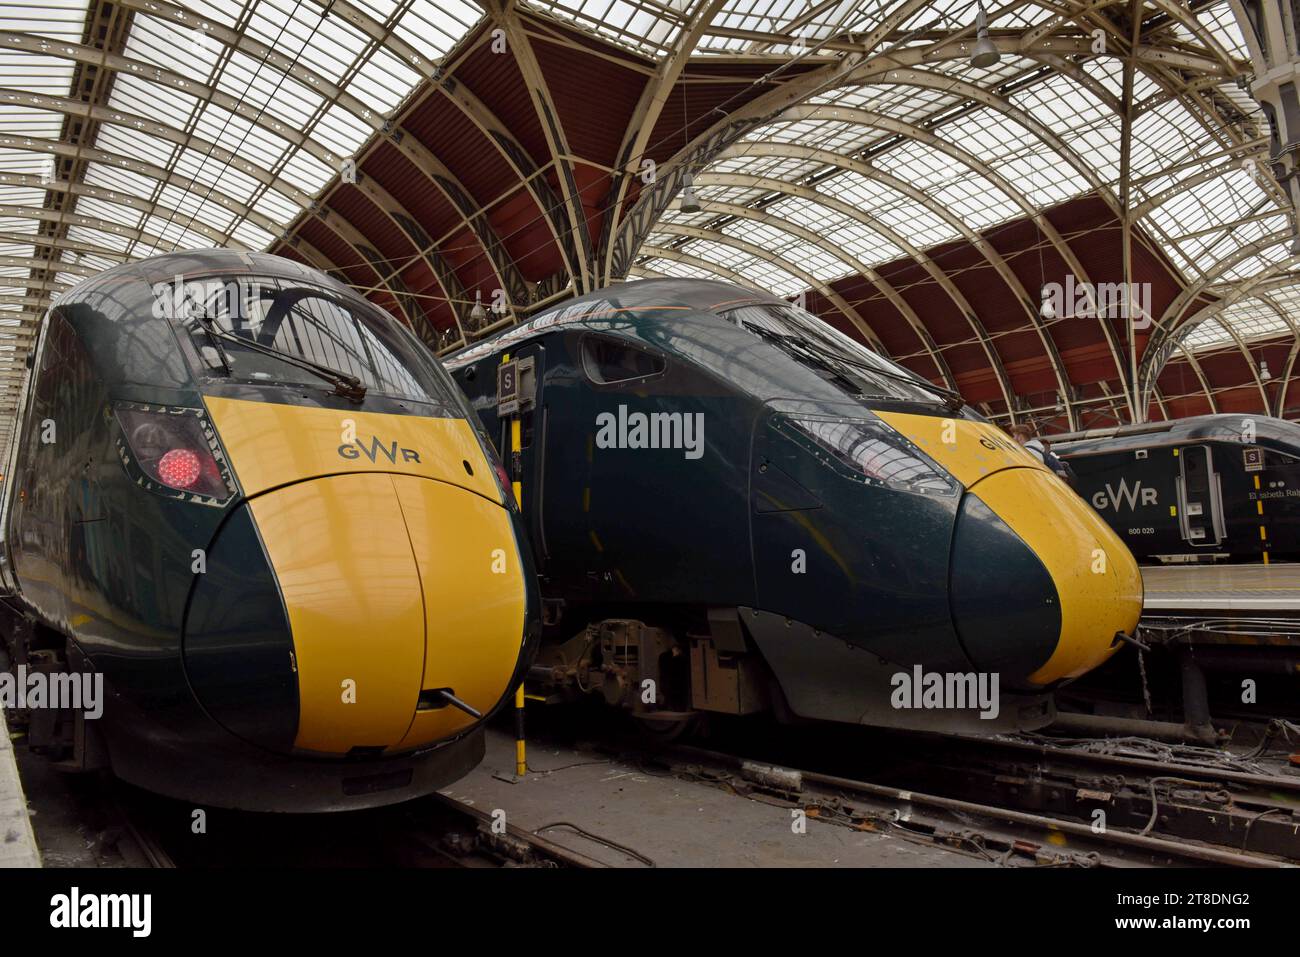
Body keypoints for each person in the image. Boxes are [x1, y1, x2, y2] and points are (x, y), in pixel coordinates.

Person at [1010, 423, 1076, 486]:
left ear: (1020, 437)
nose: (1012, 439)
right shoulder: (1037, 449)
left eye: (1014, 436)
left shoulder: (1029, 452)